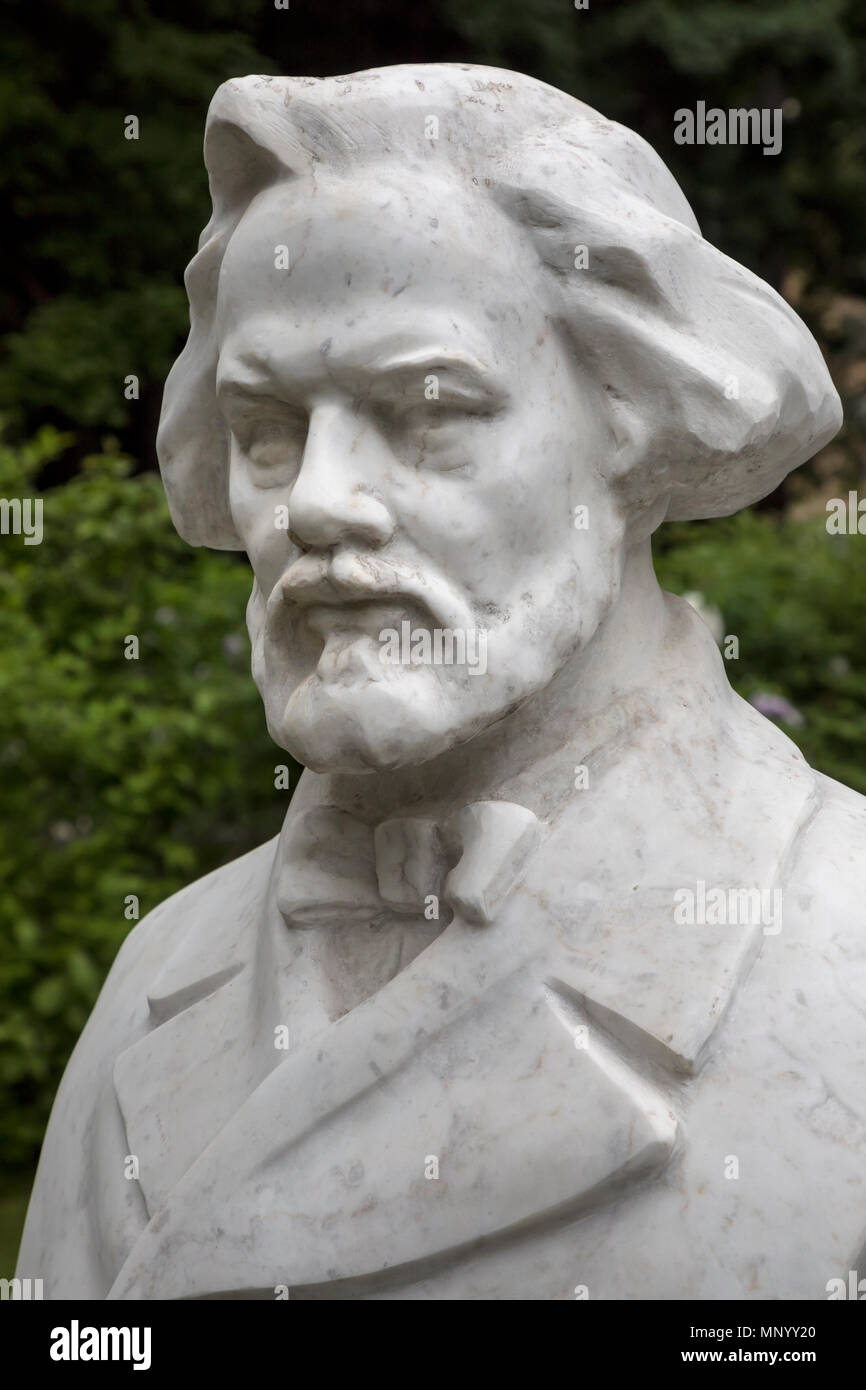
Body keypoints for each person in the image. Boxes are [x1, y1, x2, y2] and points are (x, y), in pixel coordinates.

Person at [17, 64, 866, 1301]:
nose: (311, 501)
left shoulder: (840, 963)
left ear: (628, 416)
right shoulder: (159, 972)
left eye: (422, 409)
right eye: (264, 428)